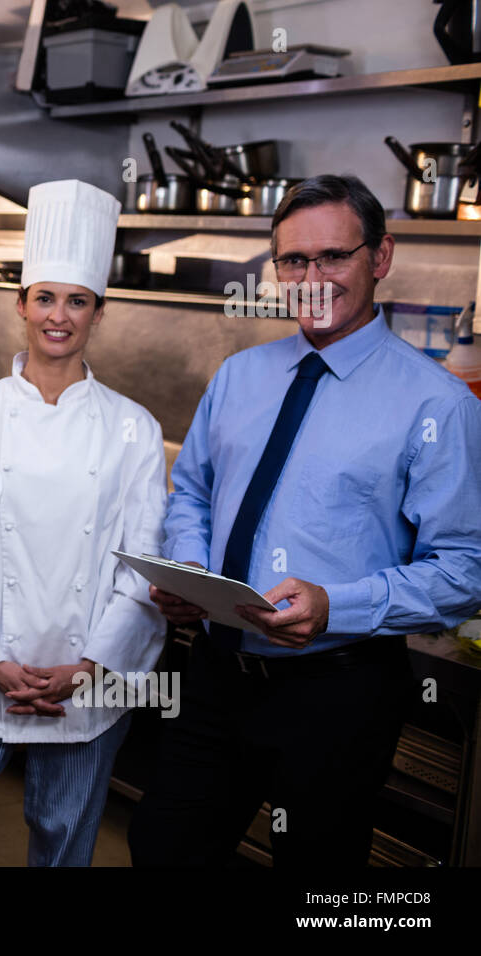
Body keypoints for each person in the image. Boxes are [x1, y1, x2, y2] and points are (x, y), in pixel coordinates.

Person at [128, 173, 481, 867]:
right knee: (164, 850)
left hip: (339, 693)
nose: (311, 277)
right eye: (293, 260)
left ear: (379, 257)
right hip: (217, 677)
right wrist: (194, 572)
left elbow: (465, 571)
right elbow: (193, 491)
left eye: (333, 257)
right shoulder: (240, 375)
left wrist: (335, 606)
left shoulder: (438, 404)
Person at [0, 180, 167, 866]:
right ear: (20, 304)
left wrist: (92, 666)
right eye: (45, 297)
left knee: (65, 842)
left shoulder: (133, 428)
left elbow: (144, 563)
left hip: (85, 679)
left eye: (77, 300)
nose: (59, 316)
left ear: (100, 312)